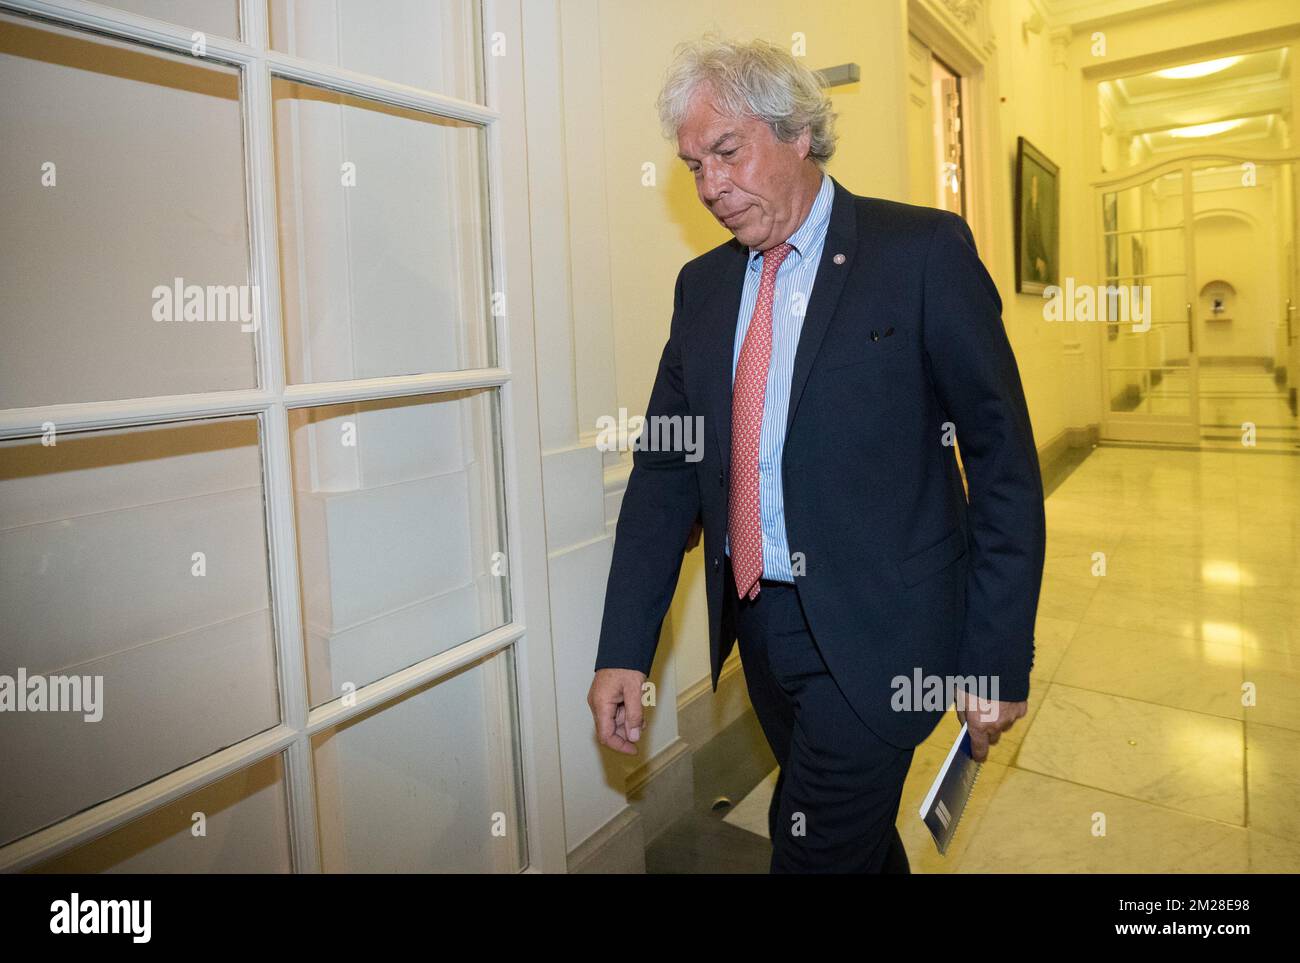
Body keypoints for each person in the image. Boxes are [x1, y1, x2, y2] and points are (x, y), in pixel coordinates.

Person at [586, 36, 1046, 873]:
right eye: (693, 165)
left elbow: (1005, 463)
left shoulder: (923, 254)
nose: (711, 186)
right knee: (856, 844)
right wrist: (625, 644)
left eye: (727, 151)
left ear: (798, 132)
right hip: (762, 633)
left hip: (885, 628)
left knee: (812, 850)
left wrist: (997, 654)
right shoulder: (704, 288)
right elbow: (663, 473)